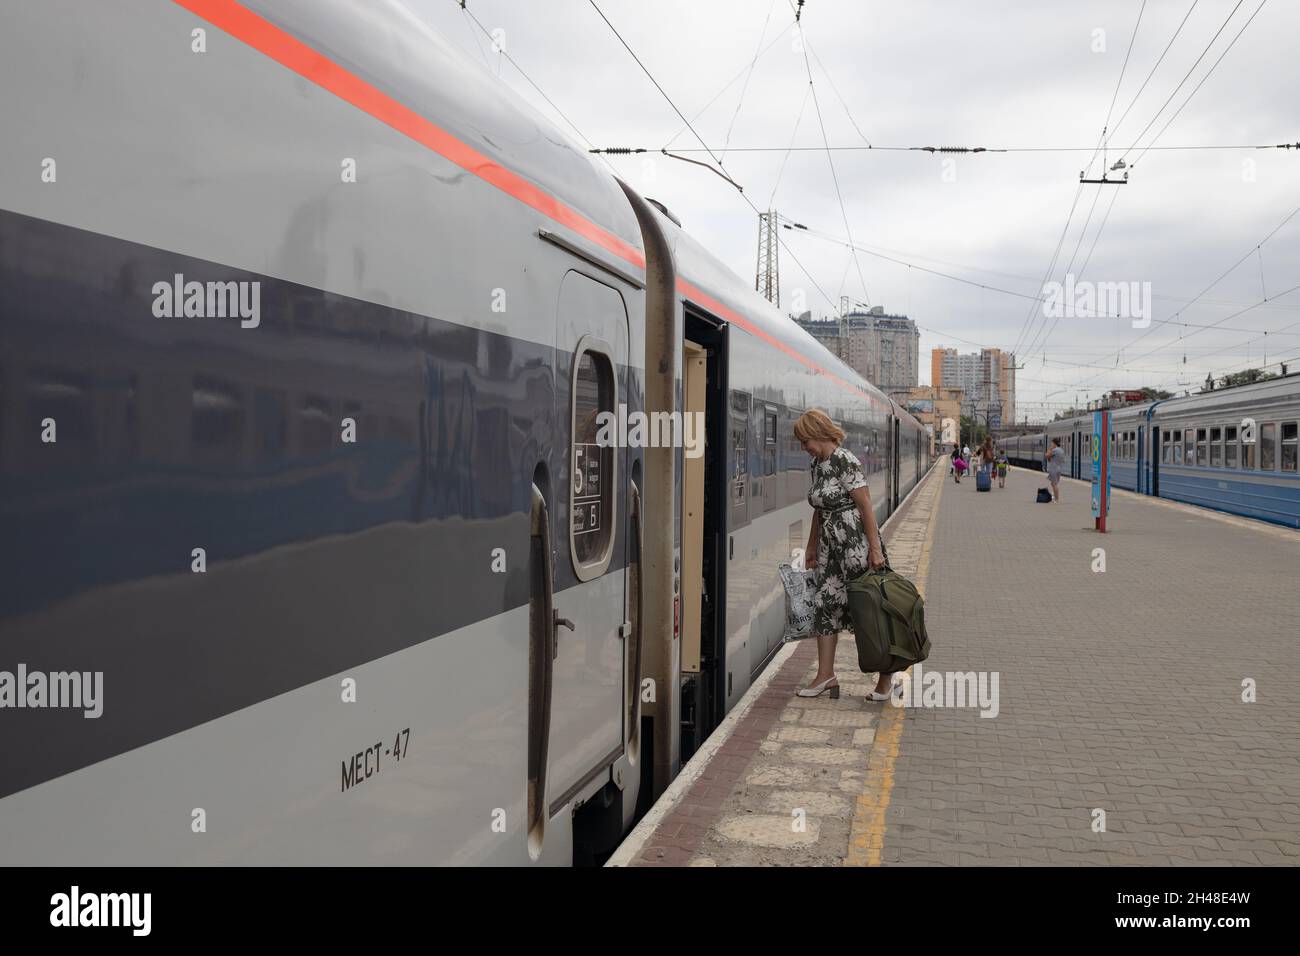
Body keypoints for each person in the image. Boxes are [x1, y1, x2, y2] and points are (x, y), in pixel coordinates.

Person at [793, 409, 891, 702]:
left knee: (868, 609)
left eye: (804, 440)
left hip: (854, 546)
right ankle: (826, 675)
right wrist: (811, 546)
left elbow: (865, 506)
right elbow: (819, 510)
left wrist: (874, 549)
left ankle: (886, 680)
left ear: (819, 433)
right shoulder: (817, 464)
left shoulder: (845, 460)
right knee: (824, 605)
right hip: (829, 548)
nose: (803, 447)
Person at [1045, 436, 1065, 502]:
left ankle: (1056, 499)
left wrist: (1050, 449)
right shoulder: (1061, 450)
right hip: (1059, 468)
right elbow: (1051, 458)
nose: (1051, 444)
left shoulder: (1054, 450)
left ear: (1054, 443)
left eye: (1052, 443)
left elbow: (1047, 455)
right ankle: (1054, 497)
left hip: (1054, 468)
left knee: (1054, 484)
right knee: (1053, 483)